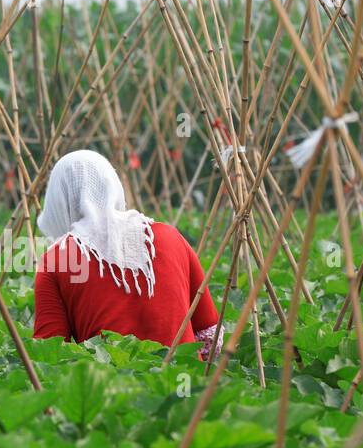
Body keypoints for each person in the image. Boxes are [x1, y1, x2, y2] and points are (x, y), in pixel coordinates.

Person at [33, 150, 224, 358]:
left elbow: (49, 354)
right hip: (181, 381)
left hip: (109, 386)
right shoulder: (171, 237)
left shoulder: (57, 260)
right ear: (113, 186)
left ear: (57, 200)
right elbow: (210, 336)